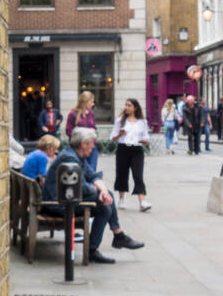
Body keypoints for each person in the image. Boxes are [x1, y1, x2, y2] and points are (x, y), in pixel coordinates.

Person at [44, 127, 145, 264]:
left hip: (68, 199)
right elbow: (83, 188)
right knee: (104, 206)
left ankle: (110, 239)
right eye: (92, 143)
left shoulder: (76, 155)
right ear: (83, 144)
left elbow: (93, 176)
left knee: (106, 200)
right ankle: (107, 241)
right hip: (59, 204)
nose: (93, 147)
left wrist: (102, 190)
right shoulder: (70, 158)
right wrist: (98, 189)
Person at [111, 98, 152, 211]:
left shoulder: (142, 122)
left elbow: (146, 137)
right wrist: (119, 134)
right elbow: (112, 137)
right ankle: (122, 199)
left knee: (138, 175)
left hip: (137, 149)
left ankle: (142, 201)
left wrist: (145, 141)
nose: (126, 107)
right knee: (122, 174)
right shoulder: (120, 121)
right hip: (123, 148)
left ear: (135, 108)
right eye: (126, 105)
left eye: (129, 105)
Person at [65, 91, 99, 175]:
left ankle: (90, 187)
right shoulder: (73, 114)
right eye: (91, 101)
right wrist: (85, 132)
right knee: (79, 171)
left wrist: (93, 130)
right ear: (85, 102)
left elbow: (94, 127)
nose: (93, 104)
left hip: (91, 147)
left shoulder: (91, 113)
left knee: (92, 171)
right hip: (78, 148)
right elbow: (68, 131)